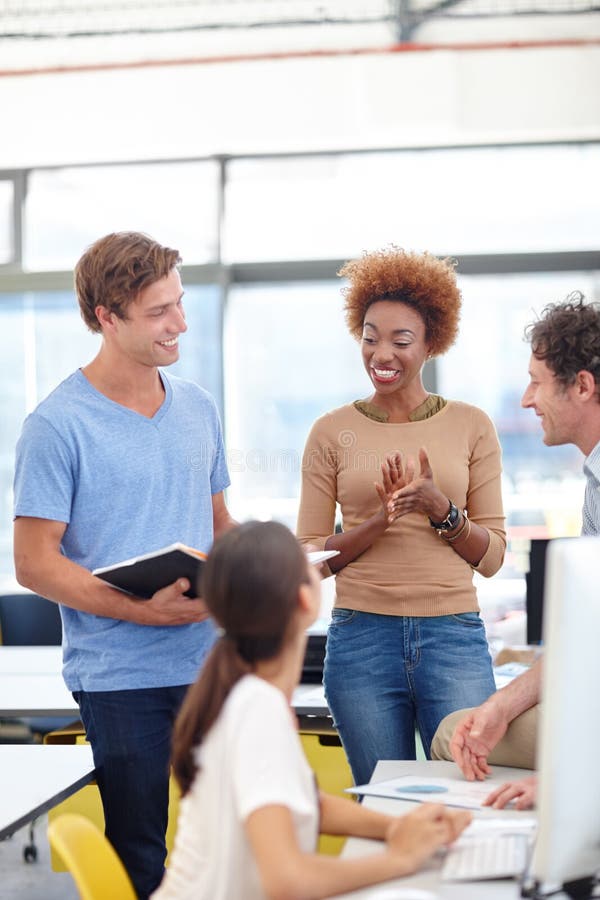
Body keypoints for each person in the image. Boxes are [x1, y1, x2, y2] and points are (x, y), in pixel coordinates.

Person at [13, 232, 236, 898]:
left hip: (209, 664)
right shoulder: (56, 426)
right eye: (159, 311)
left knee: (229, 841)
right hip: (120, 679)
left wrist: (270, 567)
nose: (181, 323)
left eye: (180, 302)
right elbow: (33, 563)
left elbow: (219, 526)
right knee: (141, 851)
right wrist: (140, 609)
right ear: (107, 317)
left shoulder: (197, 406)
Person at [152, 520, 471, 900]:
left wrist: (398, 827)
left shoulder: (242, 693)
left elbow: (307, 803)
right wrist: (401, 859)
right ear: (306, 599)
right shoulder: (257, 709)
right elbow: (286, 881)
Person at [296, 247, 506, 786]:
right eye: (369, 336)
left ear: (432, 342)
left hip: (453, 636)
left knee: (468, 792)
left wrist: (441, 510)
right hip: (361, 640)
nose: (380, 352)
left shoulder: (472, 426)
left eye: (400, 340)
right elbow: (307, 560)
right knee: (383, 799)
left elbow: (494, 557)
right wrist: (379, 522)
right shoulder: (329, 432)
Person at [431, 293, 600, 810]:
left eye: (537, 382)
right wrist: (505, 704)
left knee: (452, 733)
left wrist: (573, 781)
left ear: (584, 386)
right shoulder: (594, 483)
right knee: (474, 723)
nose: (527, 400)